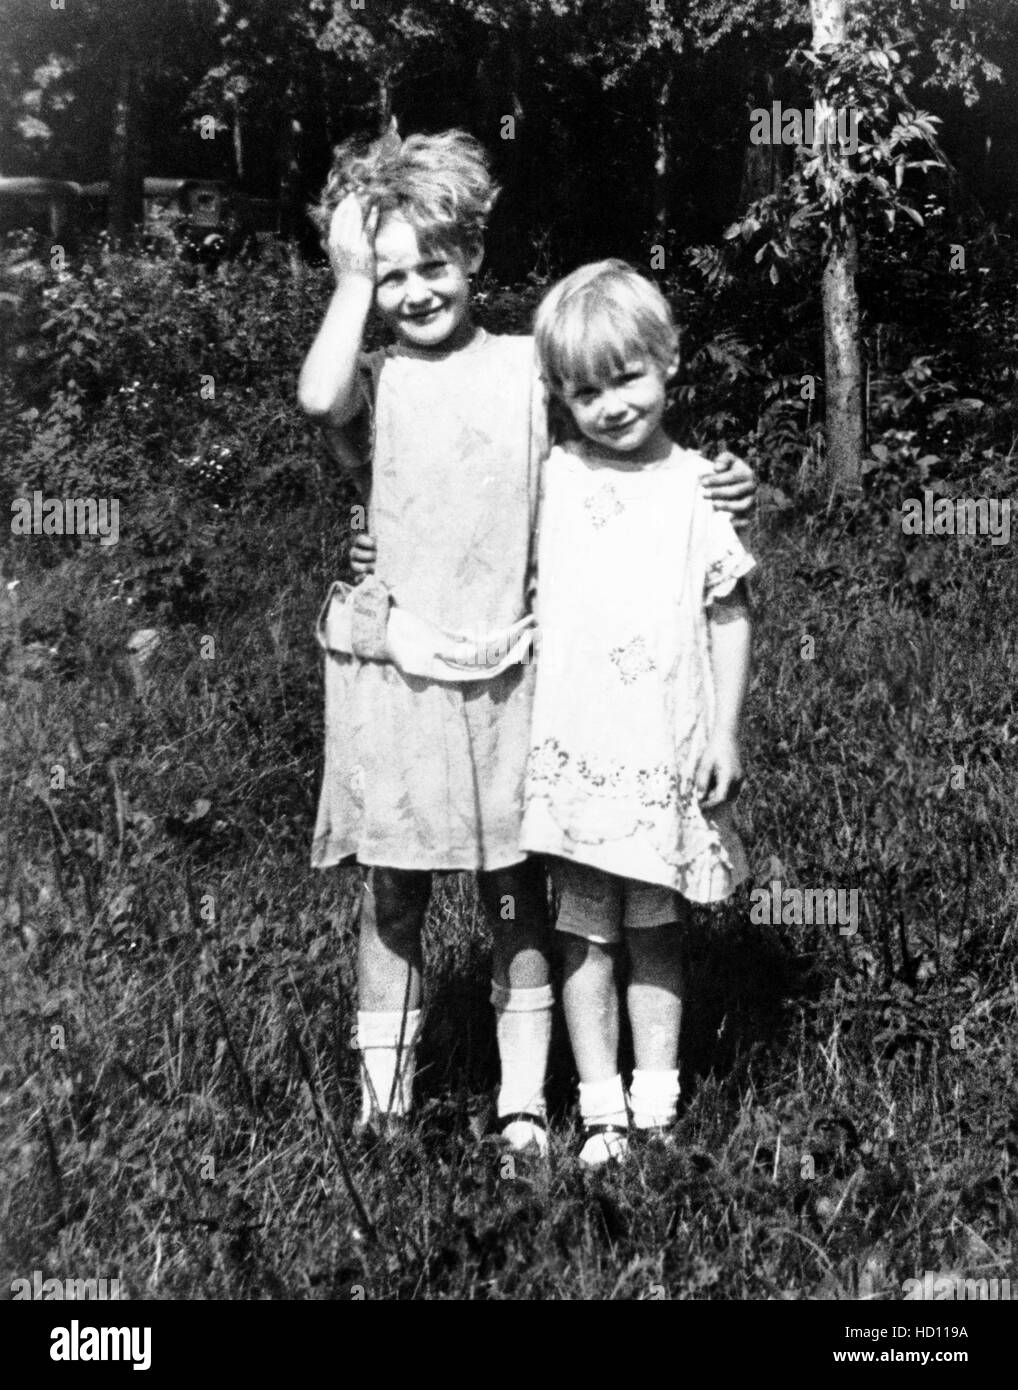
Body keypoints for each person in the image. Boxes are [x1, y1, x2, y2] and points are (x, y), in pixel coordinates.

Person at [299, 128, 756, 1154]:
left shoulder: (522, 369)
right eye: (392, 275)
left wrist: (725, 480)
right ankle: (384, 1106)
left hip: (512, 676)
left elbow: (619, 437)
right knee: (393, 894)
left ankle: (519, 1103)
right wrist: (349, 277)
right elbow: (317, 399)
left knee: (517, 897)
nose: (414, 291)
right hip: (402, 673)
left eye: (432, 265)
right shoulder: (372, 379)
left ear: (472, 257)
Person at [520, 260, 755, 1168]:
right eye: (586, 391)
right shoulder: (552, 480)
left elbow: (730, 610)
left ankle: (657, 1098)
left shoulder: (700, 485)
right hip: (577, 749)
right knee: (583, 931)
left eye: (628, 378)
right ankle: (599, 1104)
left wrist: (726, 732)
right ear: (559, 399)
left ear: (668, 363)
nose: (612, 405)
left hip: (666, 749)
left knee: (657, 926)